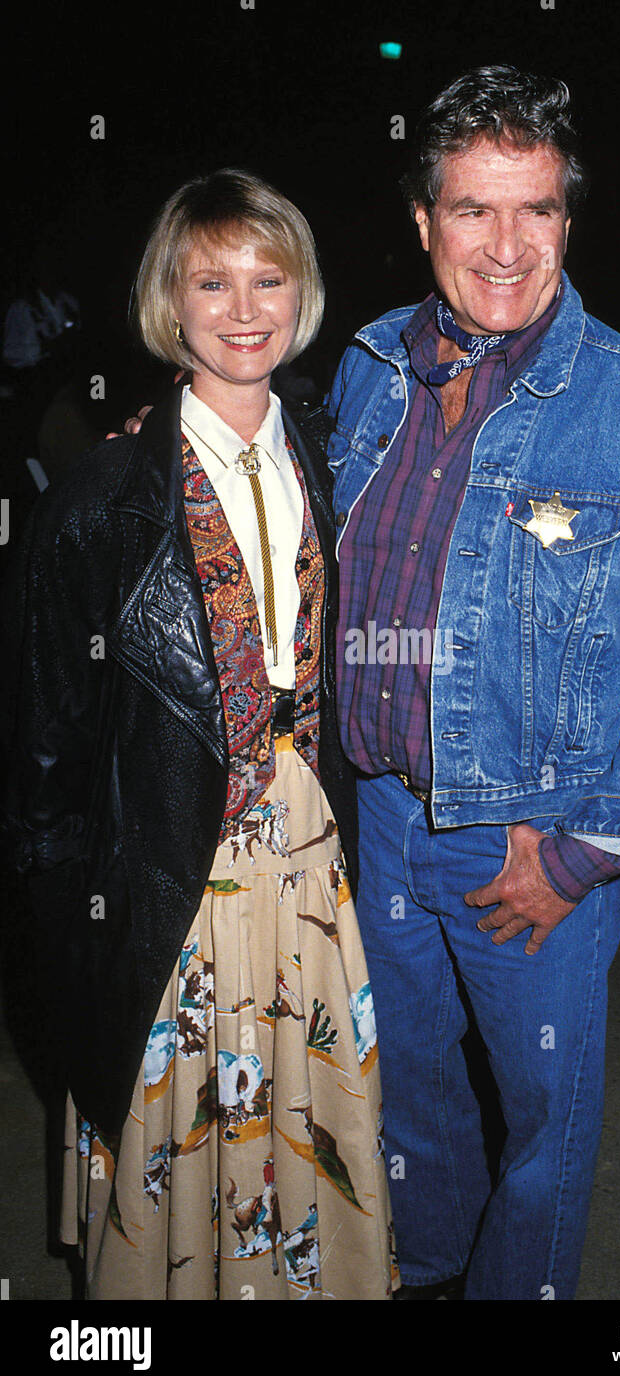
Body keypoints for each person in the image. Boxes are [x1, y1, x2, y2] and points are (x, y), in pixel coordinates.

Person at [324, 66, 620, 1300]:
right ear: (421, 220)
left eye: (537, 210)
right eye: (471, 209)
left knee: (540, 1135)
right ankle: (426, 1277)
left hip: (528, 841)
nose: (505, 247)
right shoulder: (365, 369)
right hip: (382, 822)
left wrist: (573, 857)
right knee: (409, 1108)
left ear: (567, 218)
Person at [2, 169, 397, 1300]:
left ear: (302, 293)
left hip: (310, 851)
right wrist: (66, 945)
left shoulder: (326, 453)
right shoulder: (99, 499)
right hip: (169, 857)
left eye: (267, 278)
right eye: (209, 280)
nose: (241, 307)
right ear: (167, 303)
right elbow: (44, 756)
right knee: (184, 1127)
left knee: (303, 1098)